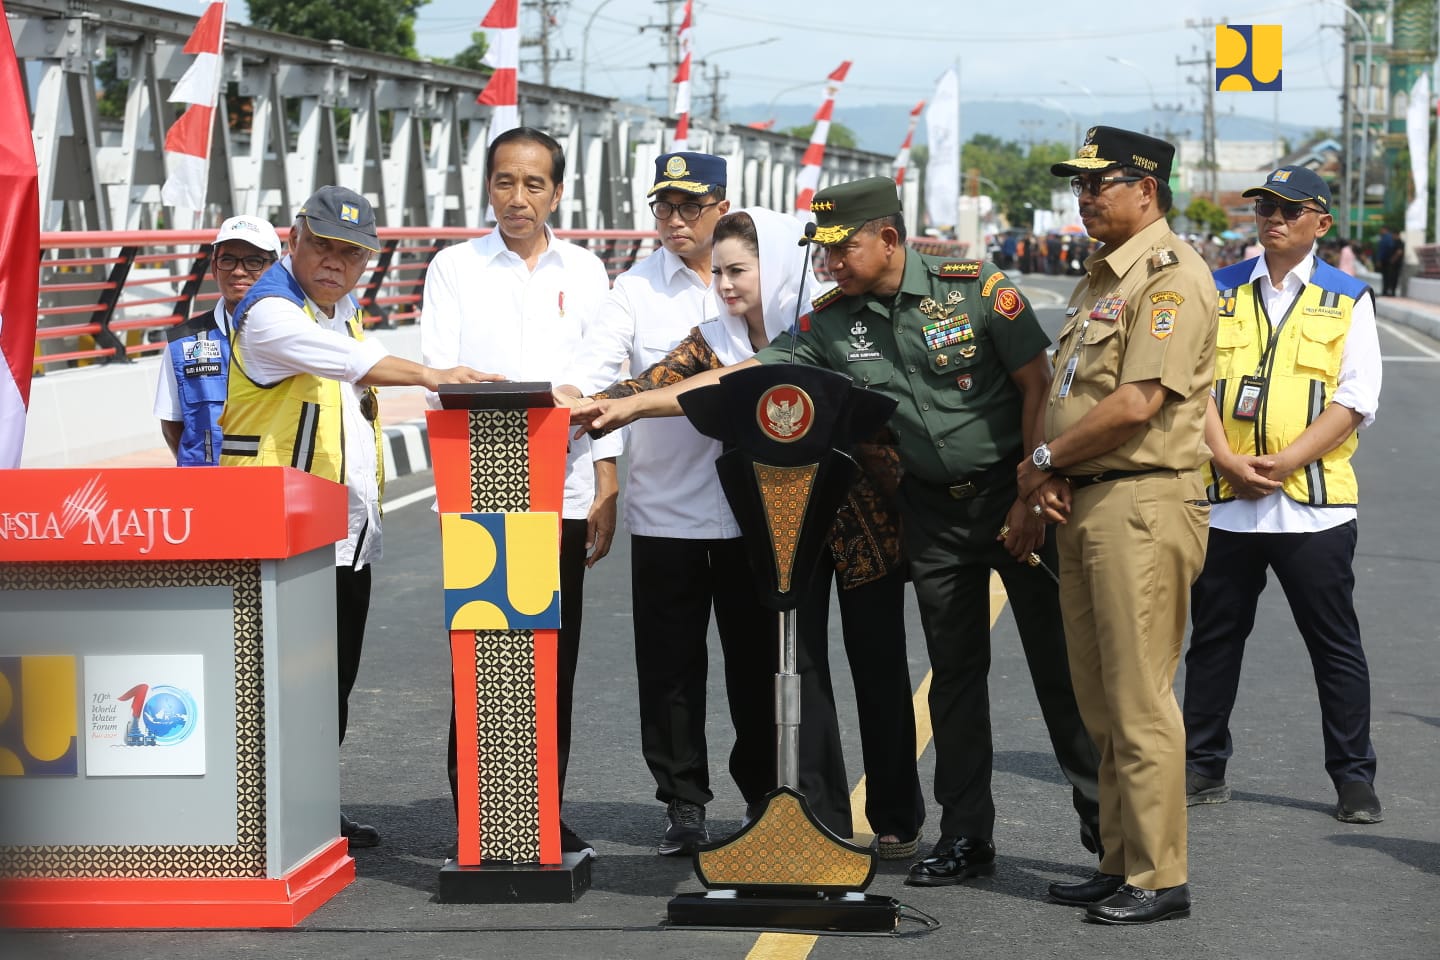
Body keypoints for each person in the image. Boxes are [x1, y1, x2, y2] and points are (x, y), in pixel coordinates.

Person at [571, 176, 1103, 885]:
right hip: (934, 515)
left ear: (886, 238)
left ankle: (1113, 842)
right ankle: (967, 838)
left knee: (1064, 678)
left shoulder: (971, 284)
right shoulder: (829, 325)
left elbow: (1036, 382)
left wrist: (1034, 486)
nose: (828, 264)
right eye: (819, 252)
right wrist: (634, 408)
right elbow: (742, 377)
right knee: (955, 684)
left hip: (1017, 501)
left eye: (841, 248)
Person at [574, 206, 925, 857]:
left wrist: (629, 405)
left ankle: (898, 817)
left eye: (739, 269)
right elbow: (678, 377)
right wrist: (610, 401)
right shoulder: (711, 335)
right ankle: (820, 820)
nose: (726, 282)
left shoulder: (827, 328)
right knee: (803, 672)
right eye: (721, 271)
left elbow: (742, 377)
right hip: (794, 531)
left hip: (864, 527)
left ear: (778, 268)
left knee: (878, 668)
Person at [220, 185, 496, 848]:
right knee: (278, 684)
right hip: (277, 537)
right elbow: (353, 364)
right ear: (294, 238)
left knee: (329, 683)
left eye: (352, 252)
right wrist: (437, 375)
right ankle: (261, 821)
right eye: (323, 245)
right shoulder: (270, 312)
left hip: (341, 538)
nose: (335, 262)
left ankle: (310, 808)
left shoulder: (340, 310)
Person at [1019, 126, 1216, 925]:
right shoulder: (1103, 277)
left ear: (1148, 187)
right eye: (1080, 183)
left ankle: (1161, 875)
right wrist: (1062, 468)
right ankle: (1119, 859)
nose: (1085, 194)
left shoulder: (1169, 280)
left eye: (1101, 182)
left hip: (1142, 502)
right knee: (1098, 699)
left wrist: (1042, 459)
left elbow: (1136, 404)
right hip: (1092, 500)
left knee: (1139, 699)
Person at [419, 127, 620, 857]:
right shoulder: (453, 268)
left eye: (534, 184)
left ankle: (541, 811)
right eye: (506, 182)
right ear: (488, 187)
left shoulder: (588, 271)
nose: (518, 198)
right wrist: (524, 399)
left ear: (558, 192)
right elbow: (440, 375)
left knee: (549, 660)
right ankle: (477, 811)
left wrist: (606, 477)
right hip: (480, 489)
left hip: (560, 492)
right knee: (480, 652)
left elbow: (601, 386)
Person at [1184, 166, 1383, 825]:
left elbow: (1356, 397)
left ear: (1320, 223)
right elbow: (1196, 388)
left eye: (1288, 209)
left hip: (1314, 505)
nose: (1272, 217)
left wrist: (1286, 460)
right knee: (1214, 641)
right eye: (1265, 206)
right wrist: (1229, 462)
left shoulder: (1347, 296)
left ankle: (1354, 779)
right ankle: (1202, 765)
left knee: (1334, 646)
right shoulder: (1219, 289)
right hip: (1228, 501)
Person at [153, 216, 281, 464]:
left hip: (274, 488)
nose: (239, 271)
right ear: (214, 267)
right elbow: (171, 425)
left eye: (254, 261)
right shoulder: (183, 342)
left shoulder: (295, 334)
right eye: (228, 260)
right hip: (207, 493)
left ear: (275, 269)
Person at [1376, 225, 1403, 296]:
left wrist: (1392, 259)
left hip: (1392, 263)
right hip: (1390, 262)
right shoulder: (1392, 240)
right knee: (1389, 277)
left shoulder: (1391, 240)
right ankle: (1388, 291)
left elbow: (1398, 252)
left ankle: (1389, 291)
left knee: (1391, 277)